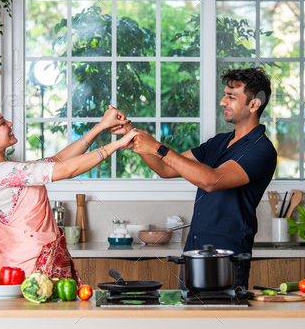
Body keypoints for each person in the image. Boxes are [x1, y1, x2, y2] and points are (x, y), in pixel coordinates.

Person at [113, 67, 277, 289]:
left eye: (231, 97)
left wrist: (158, 148)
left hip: (226, 261)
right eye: (224, 95)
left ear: (254, 104)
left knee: (218, 323)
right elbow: (166, 168)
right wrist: (133, 135)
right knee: (187, 323)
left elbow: (212, 180)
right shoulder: (219, 142)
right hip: (192, 255)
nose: (222, 102)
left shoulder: (261, 150)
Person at [0, 103, 137, 283]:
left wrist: (101, 126)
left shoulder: (6, 170)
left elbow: (58, 160)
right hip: (33, 271)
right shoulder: (0, 173)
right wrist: (116, 145)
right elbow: (67, 170)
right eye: (2, 122)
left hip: (40, 265)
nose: (9, 123)